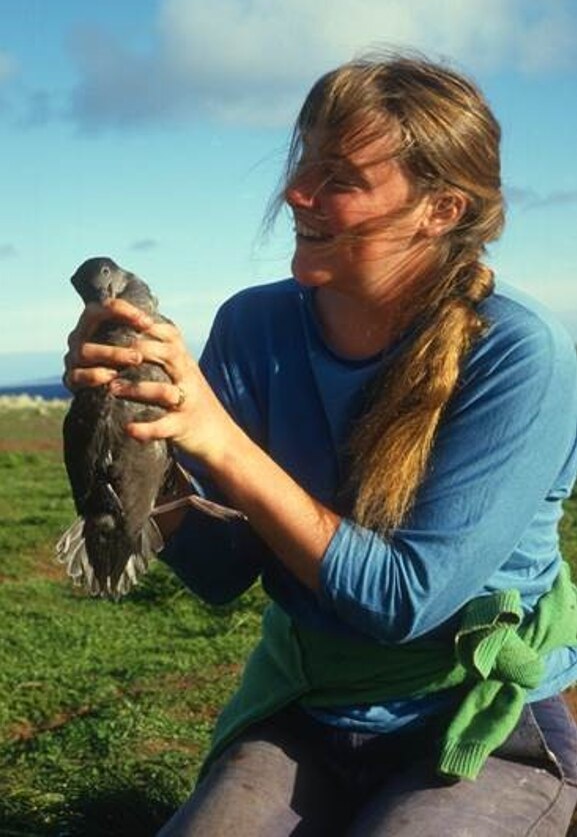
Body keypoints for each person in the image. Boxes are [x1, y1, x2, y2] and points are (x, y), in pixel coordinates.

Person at [64, 53, 577, 836]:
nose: (297, 190)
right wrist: (126, 441)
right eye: (304, 160)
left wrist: (222, 443)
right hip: (308, 701)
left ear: (439, 208)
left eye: (339, 175)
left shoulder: (517, 351)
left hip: (480, 719)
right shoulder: (254, 324)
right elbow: (219, 569)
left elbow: (403, 600)